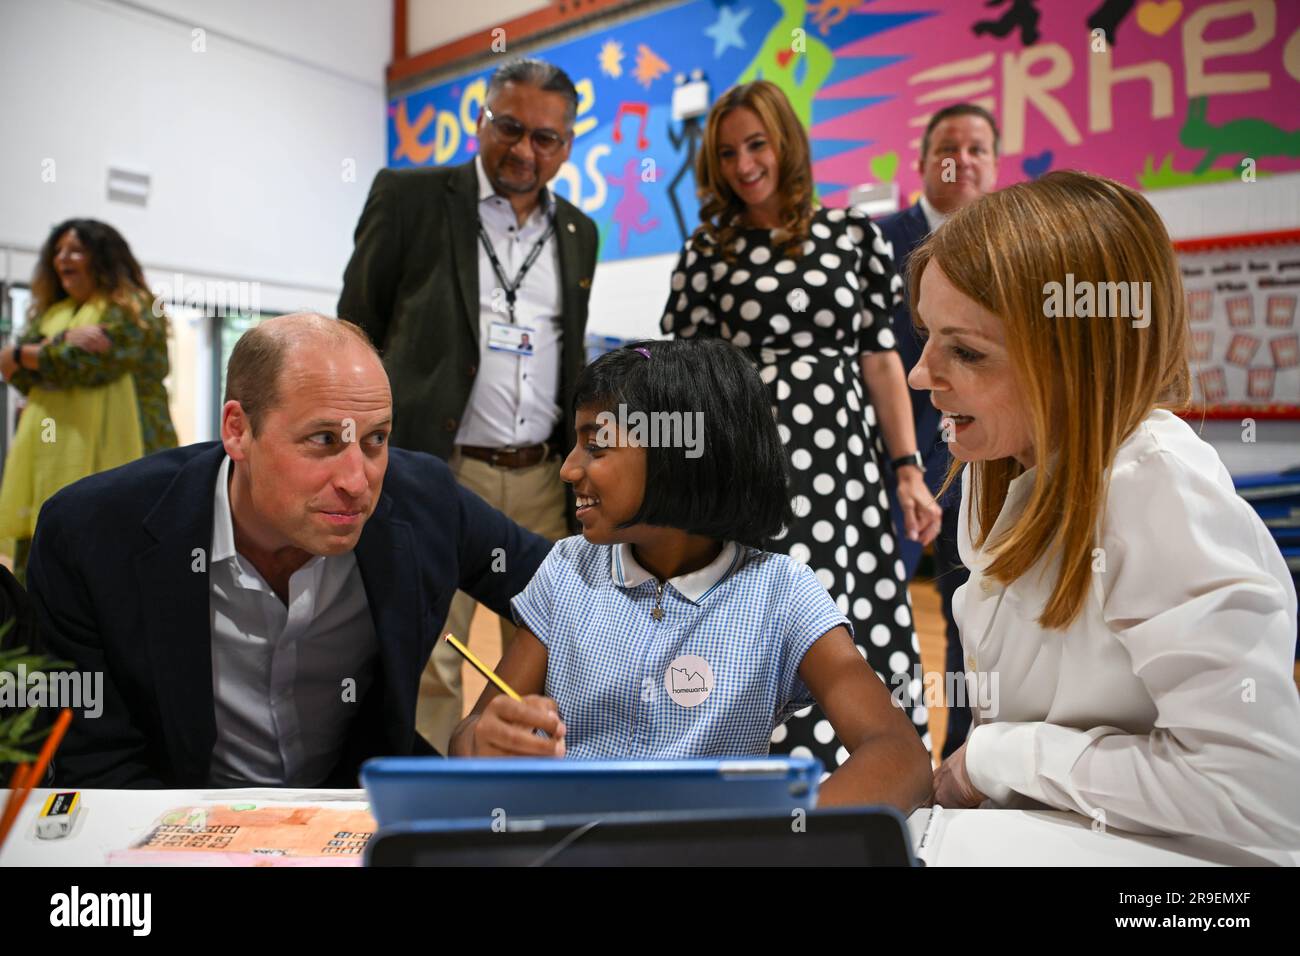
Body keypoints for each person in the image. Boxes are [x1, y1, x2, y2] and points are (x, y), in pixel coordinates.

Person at [912, 171, 1300, 847]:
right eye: (928, 336)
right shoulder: (1000, 469)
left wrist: (997, 759)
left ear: (1076, 355)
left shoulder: (1154, 488)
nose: (921, 374)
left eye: (966, 351)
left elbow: (1259, 786)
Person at [28, 314, 551, 788]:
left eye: (376, 440)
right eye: (323, 439)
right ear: (237, 430)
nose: (357, 481)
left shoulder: (425, 502)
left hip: (356, 819)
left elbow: (566, 584)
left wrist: (478, 724)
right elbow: (95, 763)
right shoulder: (91, 534)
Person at [449, 339, 932, 812]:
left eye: (596, 446)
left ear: (679, 457)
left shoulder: (780, 594)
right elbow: (467, 740)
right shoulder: (565, 569)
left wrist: (780, 841)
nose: (569, 469)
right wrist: (484, 743)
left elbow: (900, 757)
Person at [660, 80, 940, 770]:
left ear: (787, 142)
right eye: (726, 153)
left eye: (757, 144)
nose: (743, 164)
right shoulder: (709, 249)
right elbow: (684, 372)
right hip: (749, 458)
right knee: (761, 603)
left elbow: (880, 360)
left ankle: (870, 764)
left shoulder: (854, 236)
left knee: (850, 598)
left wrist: (908, 469)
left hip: (845, 463)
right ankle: (761, 764)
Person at [339, 58, 598, 753]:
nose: (523, 149)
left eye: (546, 138)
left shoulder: (579, 231)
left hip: (545, 475)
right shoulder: (410, 197)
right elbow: (355, 327)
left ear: (567, 145)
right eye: (509, 127)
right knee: (432, 652)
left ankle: (538, 791)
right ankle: (427, 804)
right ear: (481, 119)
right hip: (438, 467)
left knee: (552, 649)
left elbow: (568, 349)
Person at [875, 103, 1000, 758]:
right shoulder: (873, 242)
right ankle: (880, 756)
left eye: (978, 148)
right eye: (949, 147)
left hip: (980, 472)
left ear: (995, 166)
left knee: (968, 626)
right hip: (884, 474)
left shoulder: (1009, 250)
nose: (963, 159)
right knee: (871, 616)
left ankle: (959, 760)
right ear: (921, 161)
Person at [0, 219, 177, 580]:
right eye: (59, 251)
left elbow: (89, 364)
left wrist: (26, 353)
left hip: (135, 451)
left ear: (104, 258)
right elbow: (17, 371)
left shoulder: (135, 308)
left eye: (76, 250)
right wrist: (60, 338)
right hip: (48, 452)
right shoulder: (53, 315)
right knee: (43, 560)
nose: (63, 258)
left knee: (114, 557)